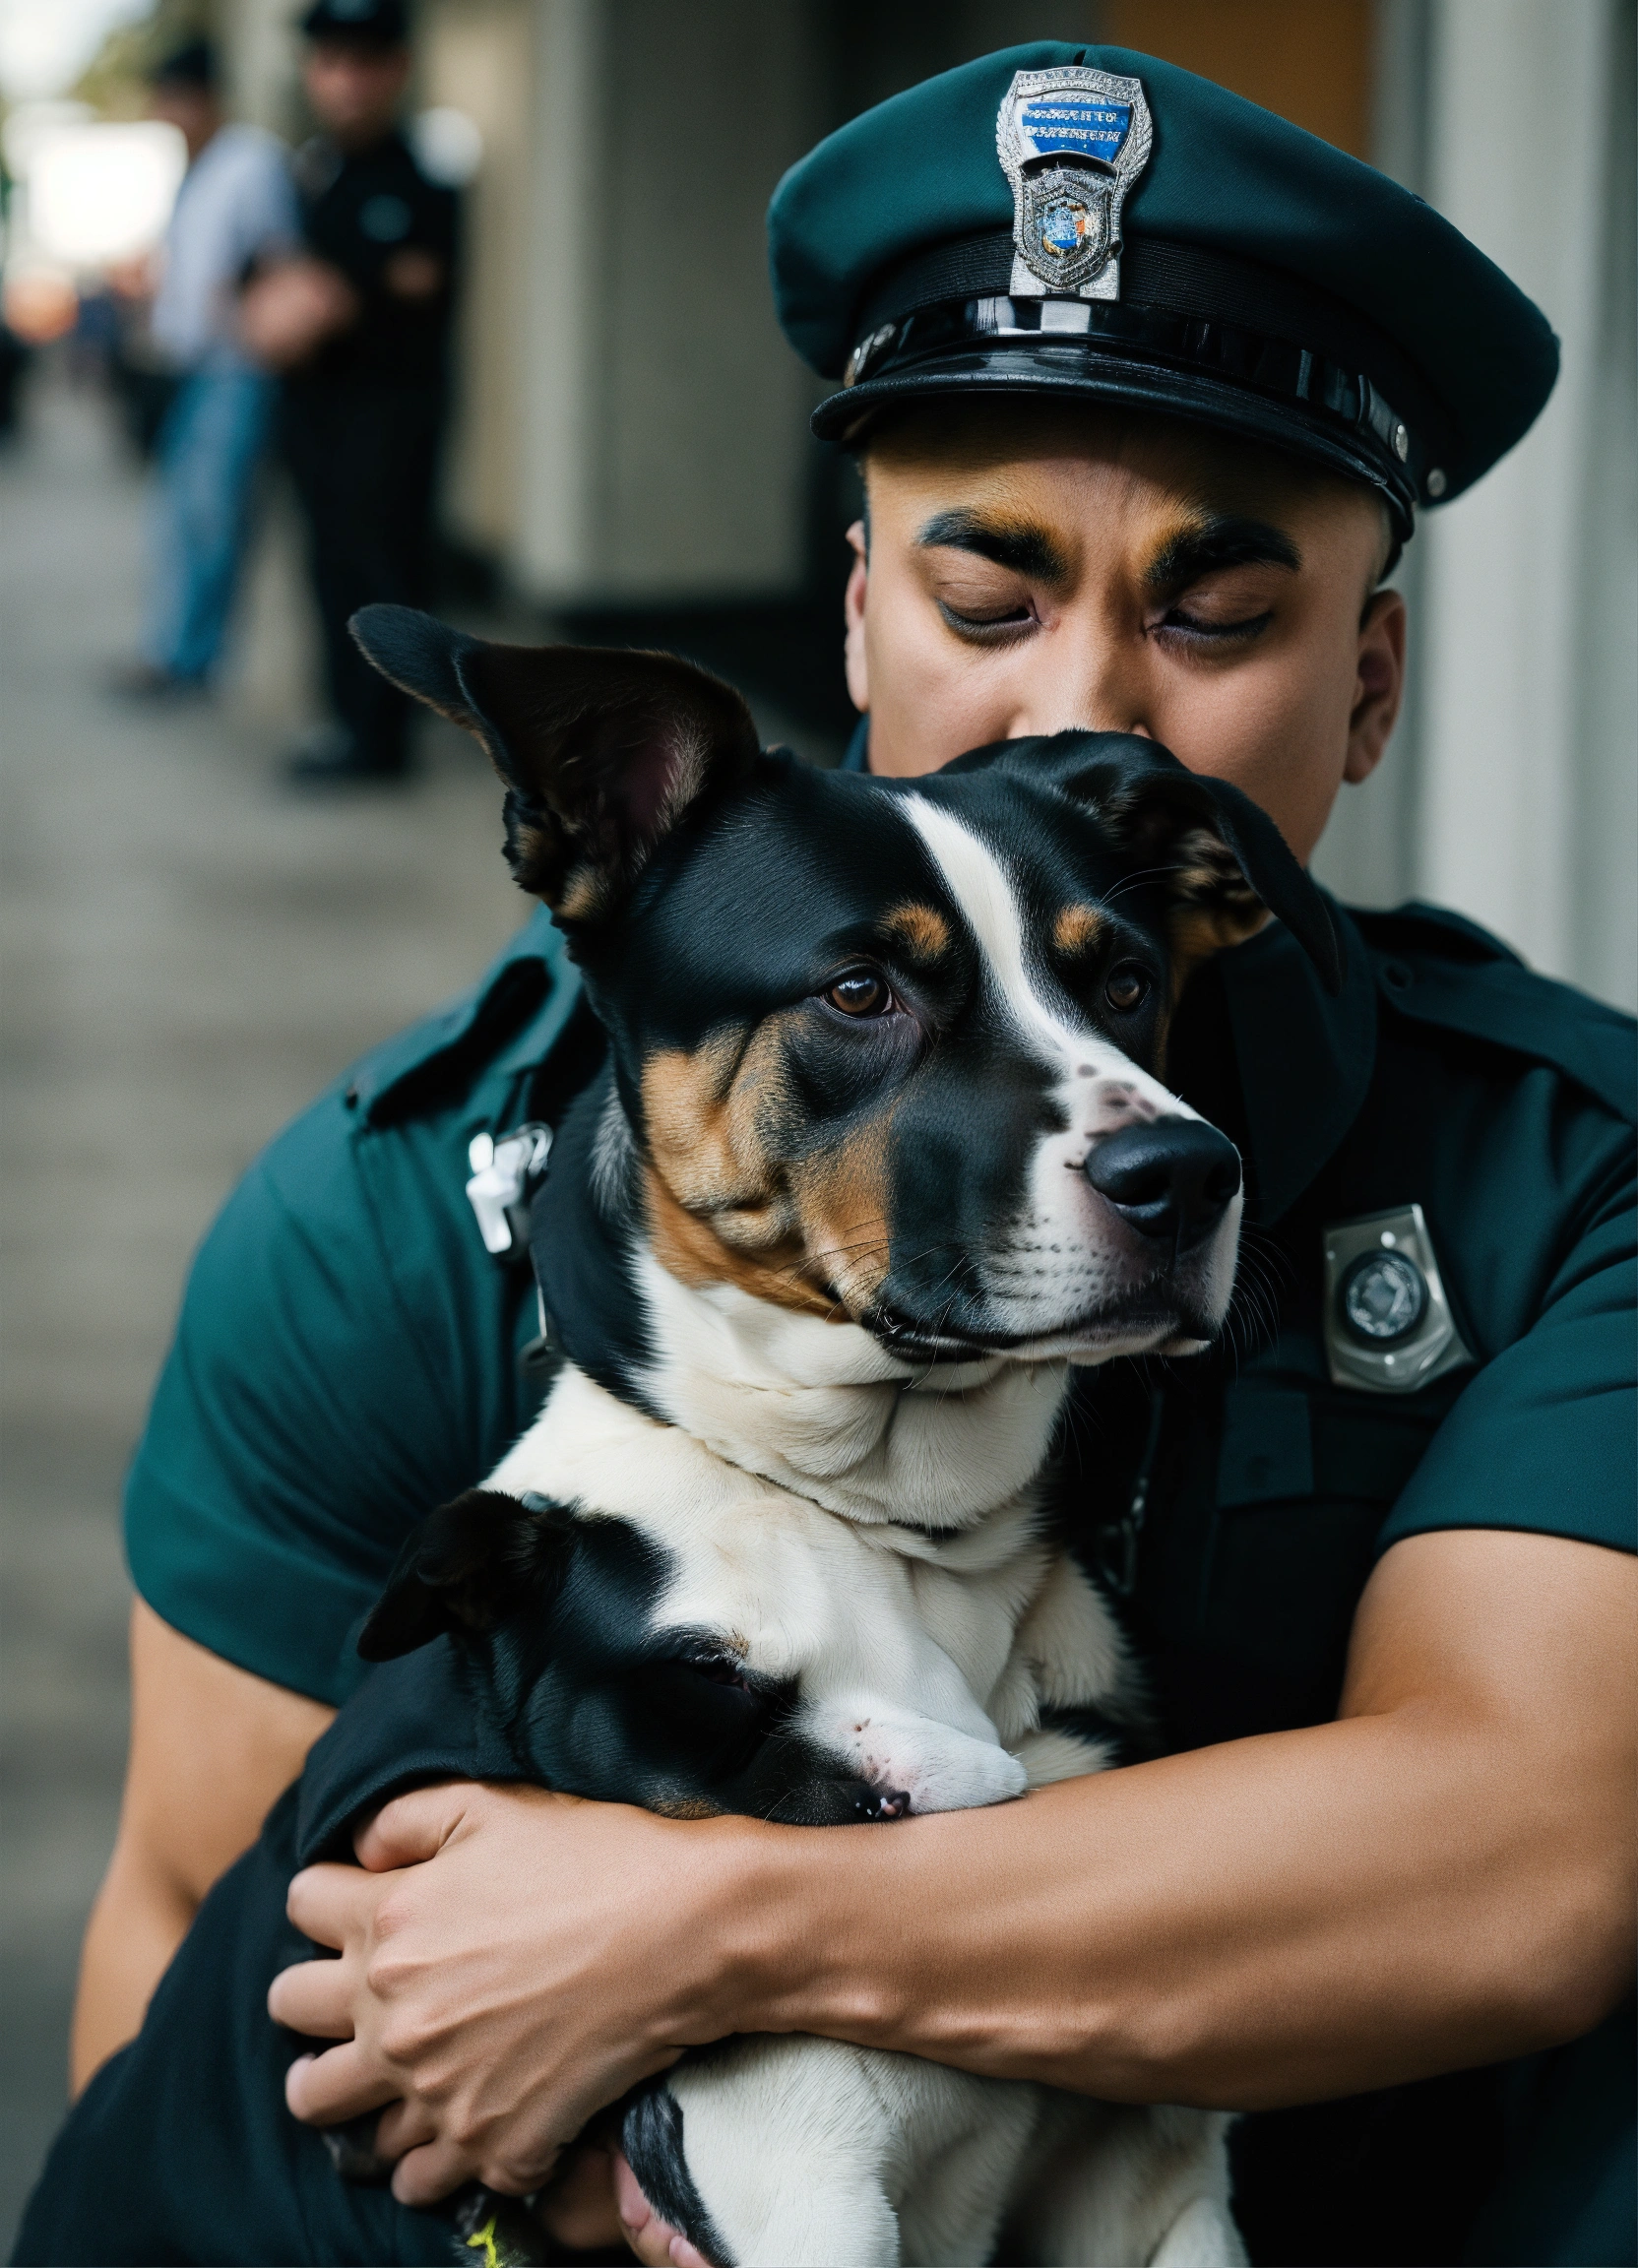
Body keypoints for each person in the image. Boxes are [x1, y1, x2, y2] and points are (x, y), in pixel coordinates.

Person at [60, 42, 1633, 2268]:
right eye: (982, 600)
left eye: (1211, 615)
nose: (1076, 703)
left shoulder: (1556, 1174)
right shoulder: (413, 1207)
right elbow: (200, 1958)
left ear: (1367, 687)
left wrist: (705, 1931)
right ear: (849, 618)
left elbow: (1525, 1856)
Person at [243, 0, 460, 784]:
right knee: (327, 569)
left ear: (396, 69)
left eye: (365, 61)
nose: (347, 81)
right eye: (331, 60)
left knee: (382, 570)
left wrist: (324, 298)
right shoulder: (308, 172)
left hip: (387, 415)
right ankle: (345, 722)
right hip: (315, 411)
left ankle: (379, 740)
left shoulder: (420, 178)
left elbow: (414, 281)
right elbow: (265, 273)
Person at [109, 37, 296, 698]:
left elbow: (277, 257)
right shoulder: (200, 168)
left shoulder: (250, 163)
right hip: (192, 364)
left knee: (213, 513)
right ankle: (176, 649)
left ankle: (193, 657)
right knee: (181, 511)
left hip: (236, 365)